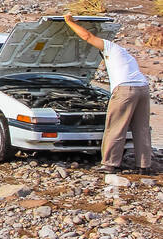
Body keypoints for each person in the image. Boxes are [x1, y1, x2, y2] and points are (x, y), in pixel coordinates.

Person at [63, 13, 155, 173]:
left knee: (116, 126)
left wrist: (69, 22)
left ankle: (109, 164)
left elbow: (87, 36)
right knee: (141, 128)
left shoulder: (109, 47)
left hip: (126, 89)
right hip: (142, 88)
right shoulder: (126, 55)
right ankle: (144, 166)